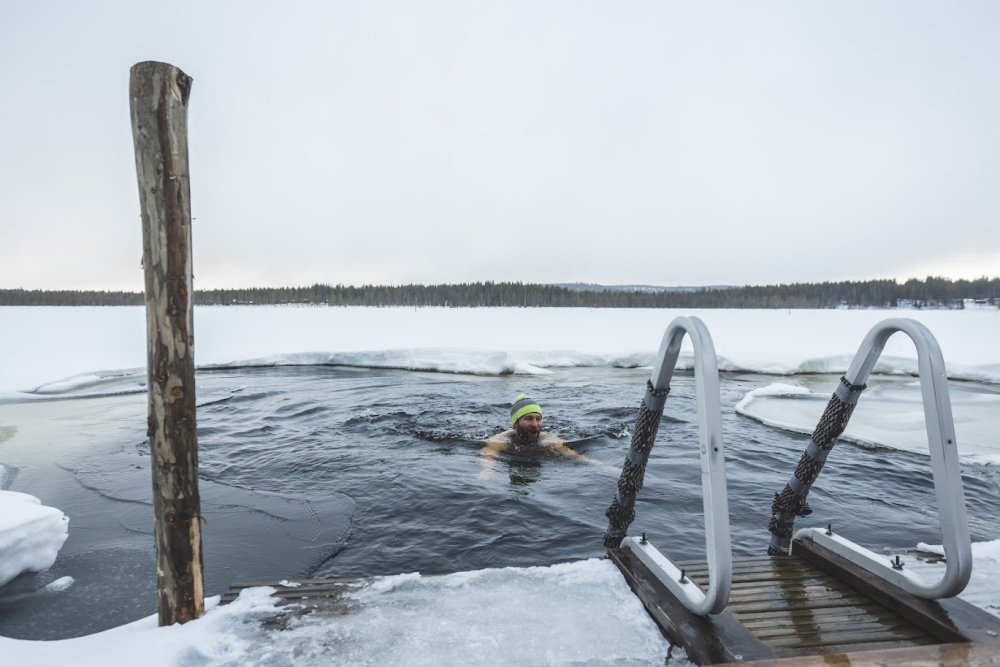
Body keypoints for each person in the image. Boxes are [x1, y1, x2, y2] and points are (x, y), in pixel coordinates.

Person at [478, 393, 615, 480]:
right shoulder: (501, 440)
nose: (535, 424)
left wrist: (603, 467)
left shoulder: (549, 440)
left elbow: (575, 456)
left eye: (538, 419)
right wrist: (487, 471)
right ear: (515, 423)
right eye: (529, 418)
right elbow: (489, 454)